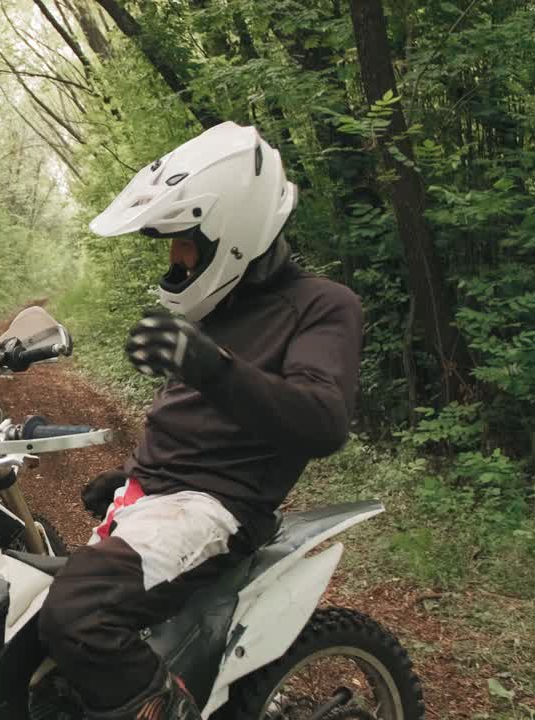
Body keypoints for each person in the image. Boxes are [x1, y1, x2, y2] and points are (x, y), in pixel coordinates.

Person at [38, 122, 364, 720]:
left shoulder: (321, 305)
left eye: (184, 243)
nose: (175, 260)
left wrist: (212, 366)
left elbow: (324, 420)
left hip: (219, 510)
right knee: (28, 611)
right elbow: (196, 427)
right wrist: (130, 473)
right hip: (163, 504)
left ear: (231, 234)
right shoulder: (215, 307)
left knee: (79, 614)